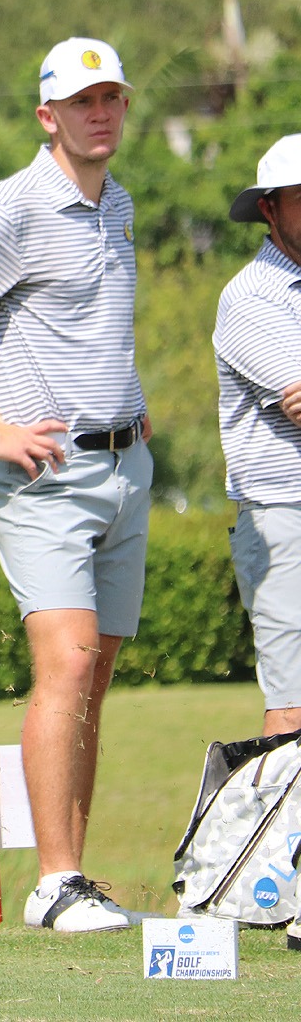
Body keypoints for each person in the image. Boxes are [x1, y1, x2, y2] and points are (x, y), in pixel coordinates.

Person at [0, 37, 151, 933]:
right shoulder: (9, 207)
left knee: (97, 677)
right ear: (48, 115)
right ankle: (54, 882)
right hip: (43, 474)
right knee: (68, 664)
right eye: (83, 101)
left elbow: (91, 328)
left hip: (126, 466)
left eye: (112, 97)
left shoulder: (116, 203)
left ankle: (74, 875)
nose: (100, 112)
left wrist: (133, 408)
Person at [215, 134, 301, 739]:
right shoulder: (251, 298)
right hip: (285, 518)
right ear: (269, 209)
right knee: (296, 706)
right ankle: (284, 835)